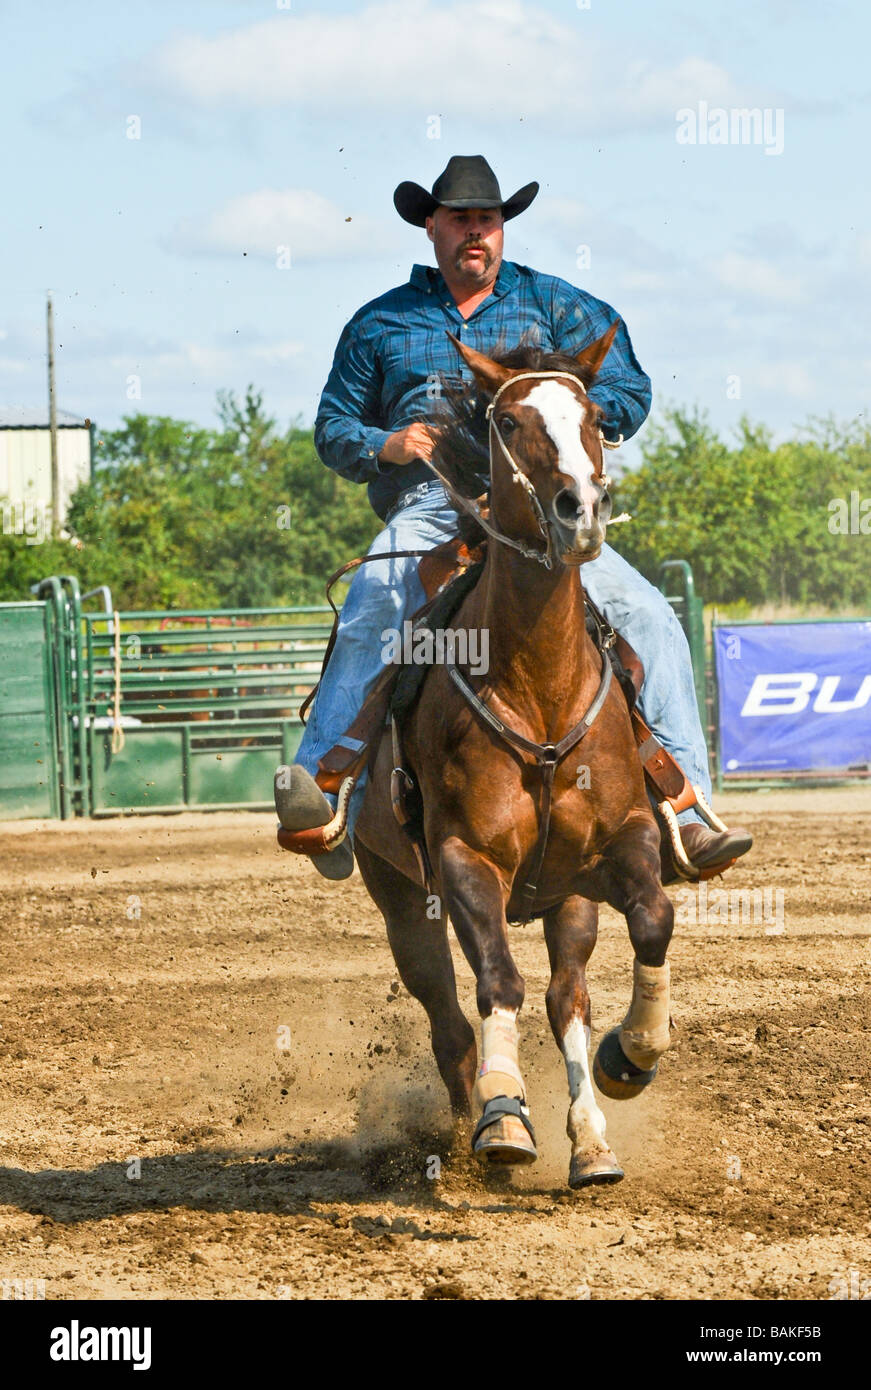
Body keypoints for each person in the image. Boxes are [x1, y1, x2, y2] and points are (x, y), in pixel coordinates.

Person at [278, 156, 751, 881]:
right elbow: (333, 428)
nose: (475, 232)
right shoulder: (379, 323)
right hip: (432, 499)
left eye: (487, 219)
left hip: (539, 501)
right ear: (429, 226)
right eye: (461, 219)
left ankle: (686, 818)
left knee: (650, 617)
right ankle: (326, 796)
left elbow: (626, 383)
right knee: (374, 600)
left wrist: (573, 410)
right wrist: (385, 443)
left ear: (502, 229)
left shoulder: (557, 304)